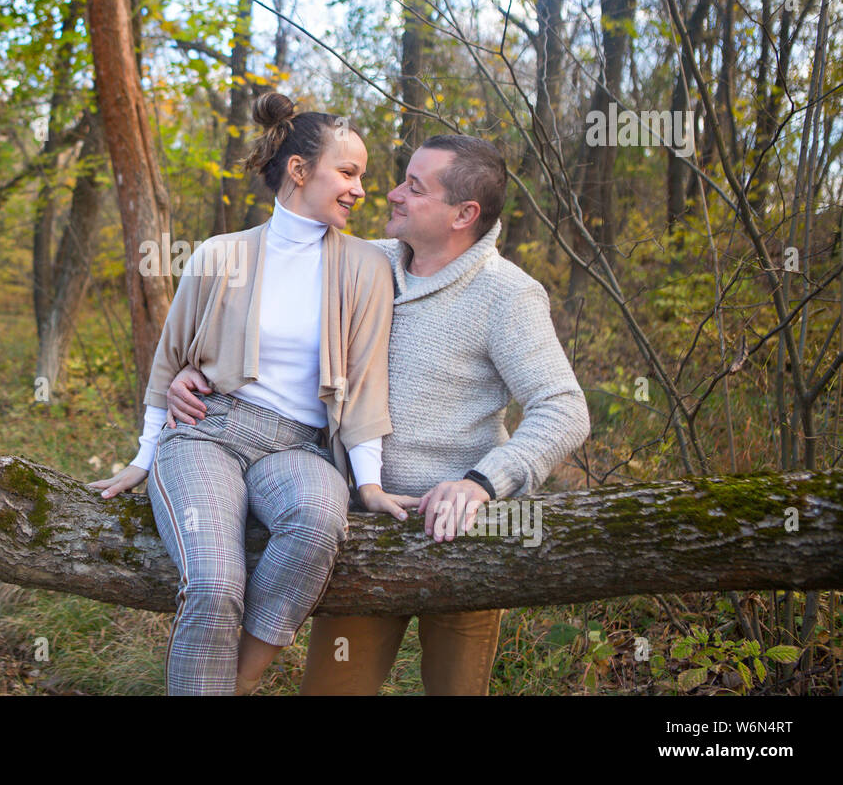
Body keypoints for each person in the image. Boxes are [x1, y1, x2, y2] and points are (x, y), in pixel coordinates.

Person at [167, 133, 590, 695]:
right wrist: (194, 371)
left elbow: (563, 408)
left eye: (414, 188)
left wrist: (481, 483)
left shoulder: (507, 295)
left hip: (459, 534)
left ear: (464, 213)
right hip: (360, 526)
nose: (390, 193)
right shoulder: (365, 264)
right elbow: (273, 322)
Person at [88, 92, 415, 696]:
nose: (361, 189)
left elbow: (367, 382)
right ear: (299, 170)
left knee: (319, 526)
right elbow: (170, 362)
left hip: (300, 450)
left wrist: (367, 482)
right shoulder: (221, 254)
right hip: (208, 433)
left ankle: (231, 686)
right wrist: (143, 455)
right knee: (213, 581)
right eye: (348, 172)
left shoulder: (368, 266)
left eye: (362, 176)